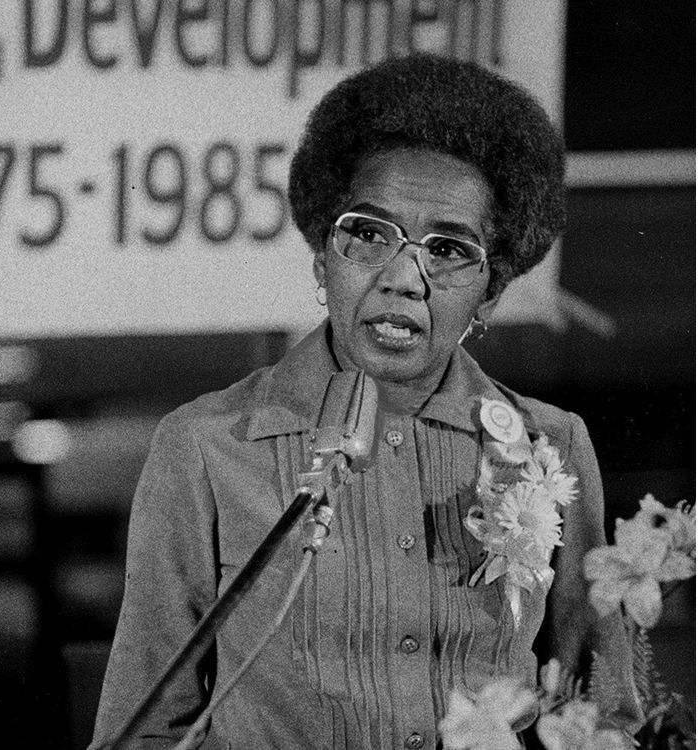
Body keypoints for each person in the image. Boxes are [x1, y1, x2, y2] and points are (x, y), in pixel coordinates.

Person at [90, 54, 641, 749]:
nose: (404, 276)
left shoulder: (550, 445)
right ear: (324, 257)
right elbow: (140, 732)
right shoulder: (206, 446)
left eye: (447, 248)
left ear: (491, 294)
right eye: (369, 233)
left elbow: (605, 714)